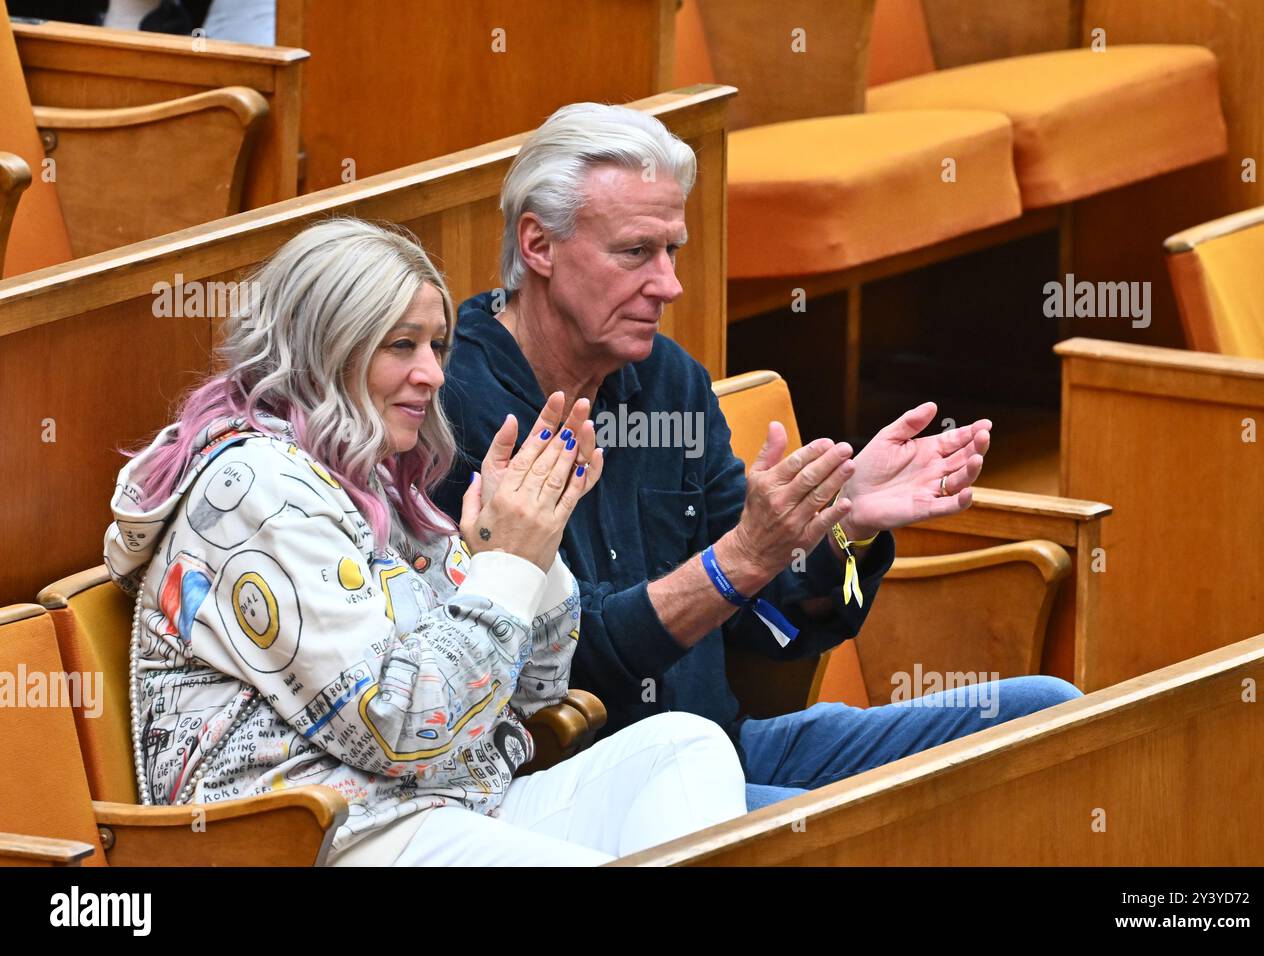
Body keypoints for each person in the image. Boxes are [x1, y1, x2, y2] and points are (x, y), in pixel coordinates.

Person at [432, 103, 1083, 811]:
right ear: (539, 245)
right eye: (635, 252)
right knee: (852, 832)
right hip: (598, 788)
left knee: (1051, 714)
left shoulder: (669, 380)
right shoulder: (452, 408)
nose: (669, 284)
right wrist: (739, 558)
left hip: (730, 745)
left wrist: (839, 526)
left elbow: (772, 629)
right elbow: (568, 664)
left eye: (673, 251)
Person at [104, 217, 746, 865]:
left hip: (439, 806)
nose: (433, 374)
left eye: (437, 346)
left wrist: (533, 548)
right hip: (315, 836)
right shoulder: (254, 488)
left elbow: (537, 689)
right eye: (401, 346)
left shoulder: (384, 476)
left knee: (683, 746)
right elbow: (398, 727)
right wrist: (506, 564)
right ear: (326, 344)